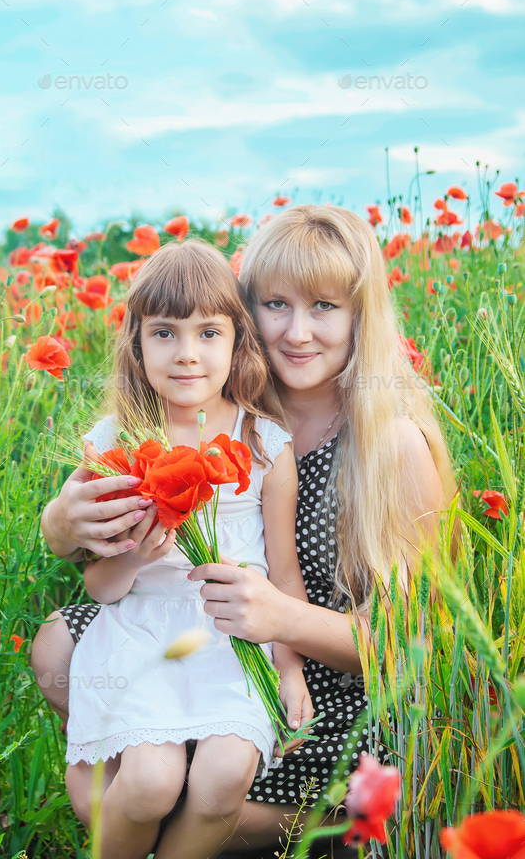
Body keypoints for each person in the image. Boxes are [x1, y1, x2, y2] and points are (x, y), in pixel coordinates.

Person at [32, 205, 456, 857]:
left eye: (324, 306)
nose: (297, 331)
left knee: (199, 796)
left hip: (321, 688)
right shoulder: (227, 406)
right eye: (276, 304)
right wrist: (59, 524)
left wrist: (282, 619)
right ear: (244, 317)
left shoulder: (387, 446)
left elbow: (413, 646)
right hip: (194, 633)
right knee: (57, 646)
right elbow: (103, 549)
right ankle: (111, 778)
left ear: (360, 315)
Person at [42, 240, 313, 859]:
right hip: (144, 638)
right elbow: (100, 587)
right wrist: (136, 554)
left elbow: (285, 579)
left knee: (221, 781)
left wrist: (289, 669)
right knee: (148, 784)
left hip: (236, 644)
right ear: (136, 343)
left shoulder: (266, 444)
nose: (187, 354)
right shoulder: (116, 443)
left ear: (238, 342)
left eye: (208, 333)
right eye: (164, 333)